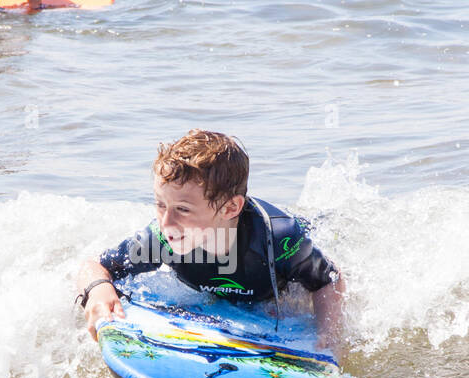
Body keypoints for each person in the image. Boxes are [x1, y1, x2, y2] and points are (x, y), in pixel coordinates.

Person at [76, 130, 347, 353]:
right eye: (160, 205)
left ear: (230, 208)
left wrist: (328, 334)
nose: (166, 222)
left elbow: (329, 280)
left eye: (182, 209)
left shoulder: (279, 239)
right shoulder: (161, 239)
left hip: (290, 241)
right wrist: (99, 289)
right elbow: (95, 265)